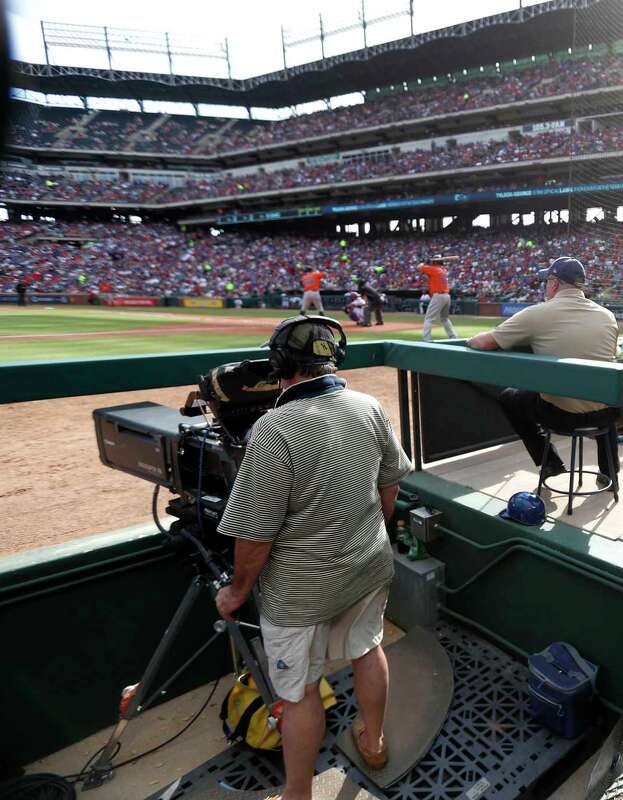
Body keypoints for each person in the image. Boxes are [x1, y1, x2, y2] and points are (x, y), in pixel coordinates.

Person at [215, 315, 412, 800]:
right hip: (368, 565)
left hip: (298, 595)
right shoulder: (368, 406)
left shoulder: (273, 428)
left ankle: (298, 793)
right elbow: (390, 486)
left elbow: (253, 539)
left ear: (280, 365)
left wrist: (236, 592)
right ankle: (375, 742)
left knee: (299, 692)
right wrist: (370, 532)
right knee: (367, 649)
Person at [466, 256, 621, 483]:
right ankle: (610, 474)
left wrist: (471, 339)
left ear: (555, 283)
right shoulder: (607, 315)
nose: (545, 286)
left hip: (564, 416)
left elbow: (483, 343)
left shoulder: (538, 313)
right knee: (603, 396)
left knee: (510, 397)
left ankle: (549, 462)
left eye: (546, 281)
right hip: (609, 412)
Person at [418, 257, 457, 341]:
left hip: (438, 296)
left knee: (428, 318)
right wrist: (428, 263)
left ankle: (426, 339)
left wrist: (424, 262)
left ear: (435, 262)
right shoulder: (442, 270)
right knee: (445, 318)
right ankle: (453, 337)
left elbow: (419, 267)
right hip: (446, 296)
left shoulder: (433, 269)